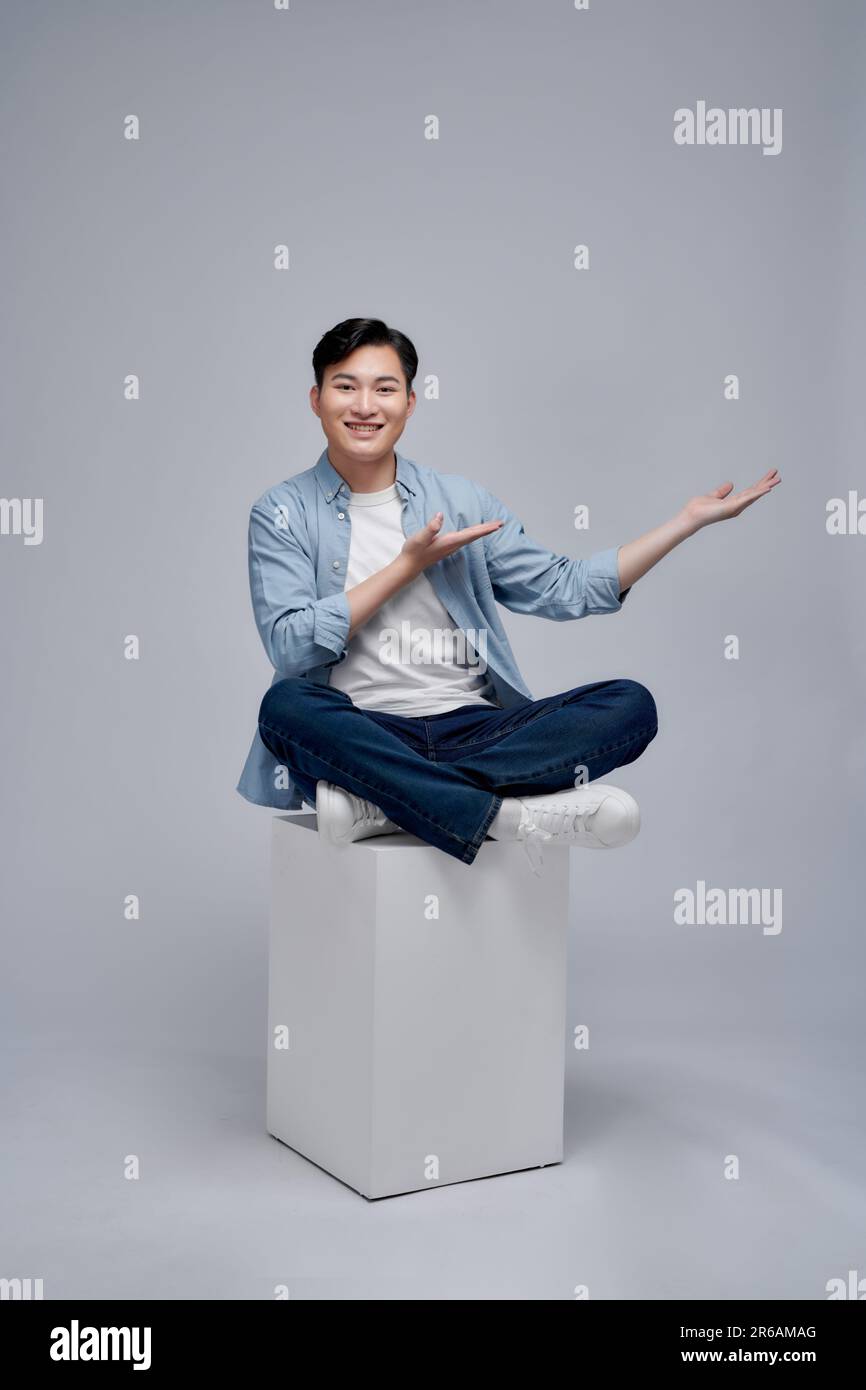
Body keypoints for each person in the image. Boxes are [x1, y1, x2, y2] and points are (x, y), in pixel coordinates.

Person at [236, 317, 780, 874]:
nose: (365, 405)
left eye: (384, 388)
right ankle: (506, 817)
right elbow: (290, 647)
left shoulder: (462, 500)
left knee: (630, 705)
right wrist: (406, 567)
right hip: (360, 732)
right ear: (316, 398)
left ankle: (386, 803)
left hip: (474, 731)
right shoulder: (283, 512)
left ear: (411, 402)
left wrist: (684, 523)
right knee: (286, 709)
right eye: (345, 386)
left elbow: (564, 586)